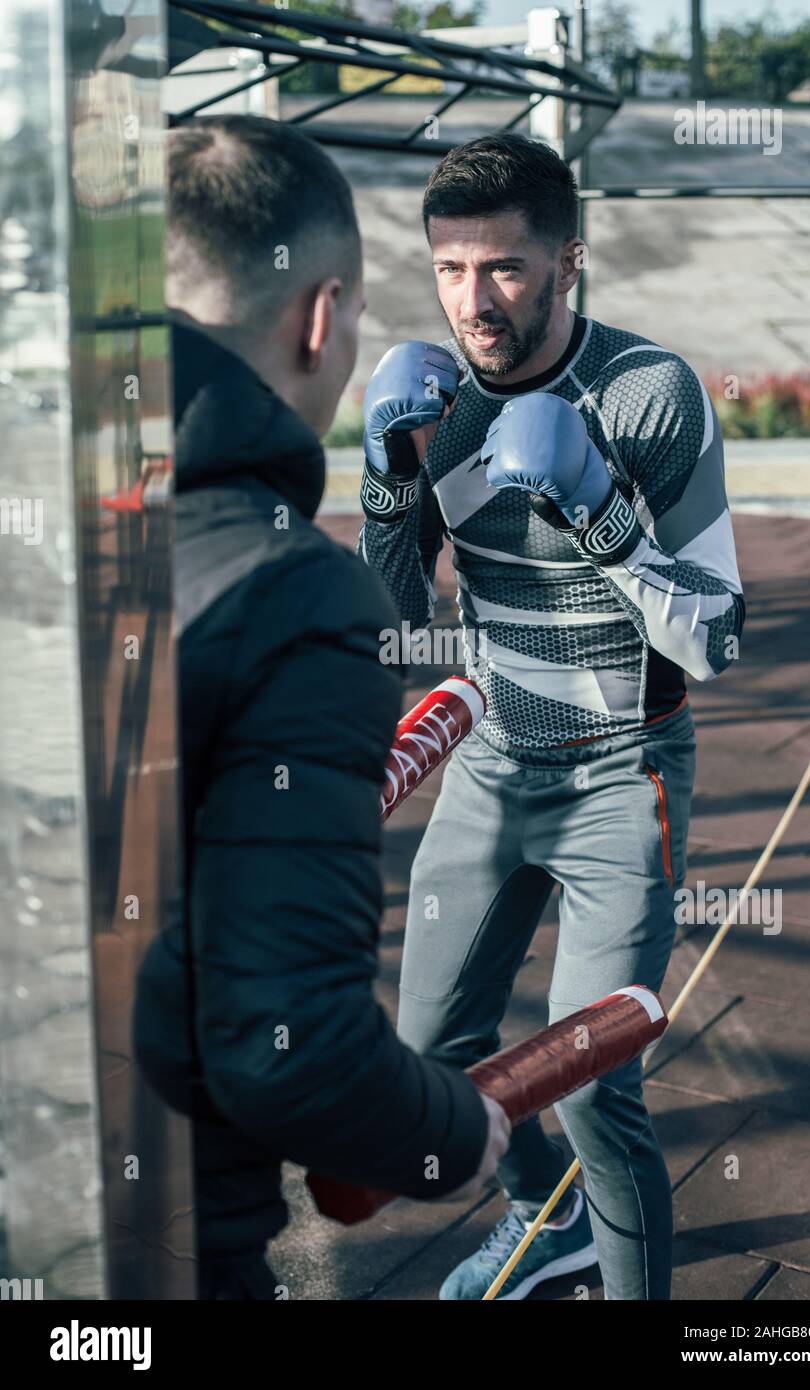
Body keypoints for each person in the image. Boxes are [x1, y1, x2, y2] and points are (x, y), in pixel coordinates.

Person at [358, 132, 745, 1301]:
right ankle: (547, 1217)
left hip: (625, 770)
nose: (474, 301)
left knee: (587, 1079)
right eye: (450, 271)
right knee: (427, 1054)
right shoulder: (439, 399)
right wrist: (384, 480)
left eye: (505, 270)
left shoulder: (647, 393)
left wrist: (602, 518)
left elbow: (713, 643)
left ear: (569, 261)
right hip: (493, 766)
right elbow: (392, 628)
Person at [132, 115, 509, 1301]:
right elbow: (282, 1047)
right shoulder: (290, 591)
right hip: (143, 1234)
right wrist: (450, 1134)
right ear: (320, 313)